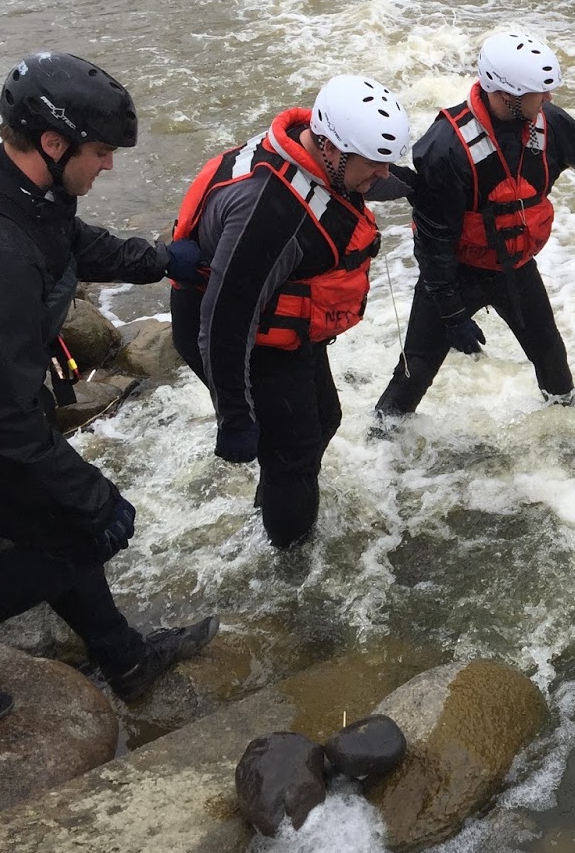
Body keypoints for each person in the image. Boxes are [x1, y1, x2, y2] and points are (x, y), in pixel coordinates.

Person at [0, 53, 218, 723]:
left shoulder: (10, 186)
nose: (108, 165)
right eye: (102, 151)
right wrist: (91, 493)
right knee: (78, 529)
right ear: (53, 144)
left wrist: (163, 259)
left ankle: (125, 657)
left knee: (65, 521)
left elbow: (71, 243)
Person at [171, 74, 414, 549]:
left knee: (323, 420)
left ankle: (274, 496)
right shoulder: (270, 213)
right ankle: (289, 559)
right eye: (375, 163)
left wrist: (419, 187)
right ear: (328, 146)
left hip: (278, 327)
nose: (383, 174)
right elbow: (224, 323)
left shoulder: (319, 157)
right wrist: (235, 417)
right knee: (295, 451)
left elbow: (354, 187)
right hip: (236, 336)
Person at [373, 32, 575, 418]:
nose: (549, 99)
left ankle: (568, 432)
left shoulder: (547, 122)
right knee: (416, 370)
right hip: (454, 273)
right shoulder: (445, 148)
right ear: (507, 94)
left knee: (552, 360)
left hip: (515, 269)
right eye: (540, 92)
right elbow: (433, 243)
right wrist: (454, 316)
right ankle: (381, 442)